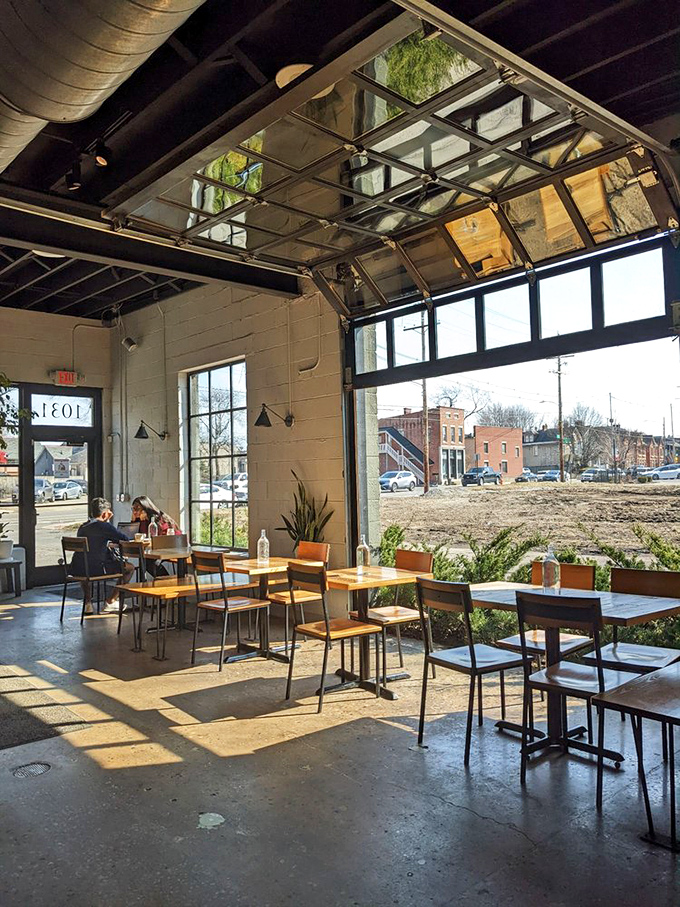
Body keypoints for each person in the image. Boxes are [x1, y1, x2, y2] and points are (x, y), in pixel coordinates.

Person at [72, 497, 134, 614]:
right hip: (98, 568)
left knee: (86, 564)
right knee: (129, 568)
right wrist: (107, 522)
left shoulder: (83, 527)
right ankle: (111, 601)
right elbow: (124, 539)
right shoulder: (104, 526)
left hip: (78, 568)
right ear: (105, 514)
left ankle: (88, 603)